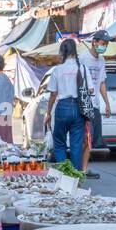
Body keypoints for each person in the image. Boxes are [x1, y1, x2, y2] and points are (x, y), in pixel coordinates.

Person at [43, 38, 91, 166]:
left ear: (62, 52)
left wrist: (48, 113)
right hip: (78, 108)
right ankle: (75, 178)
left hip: (62, 107)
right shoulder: (83, 68)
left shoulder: (57, 70)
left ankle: (64, 175)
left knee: (59, 143)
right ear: (75, 51)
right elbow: (90, 90)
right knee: (76, 145)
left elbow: (53, 94)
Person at [78, 30, 113, 179]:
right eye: (102, 43)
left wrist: (107, 103)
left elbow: (102, 82)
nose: (104, 46)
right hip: (84, 104)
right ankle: (79, 168)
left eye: (106, 44)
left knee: (90, 138)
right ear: (94, 42)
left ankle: (84, 170)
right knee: (84, 138)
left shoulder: (102, 60)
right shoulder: (83, 58)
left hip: (96, 105)